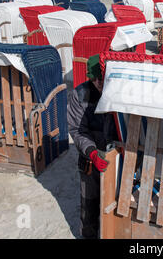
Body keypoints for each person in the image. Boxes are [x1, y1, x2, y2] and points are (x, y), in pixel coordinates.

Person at [67, 54, 118, 239]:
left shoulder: (119, 93)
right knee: (89, 204)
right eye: (94, 78)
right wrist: (92, 152)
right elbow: (77, 130)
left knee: (114, 203)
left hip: (115, 159)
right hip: (90, 159)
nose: (98, 82)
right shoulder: (80, 95)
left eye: (101, 78)